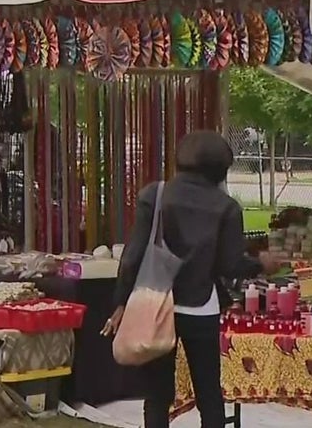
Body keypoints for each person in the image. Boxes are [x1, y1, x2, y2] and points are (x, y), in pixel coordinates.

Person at [103, 130, 277, 428]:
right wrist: (260, 263)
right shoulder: (227, 207)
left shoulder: (154, 195)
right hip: (201, 308)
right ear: (221, 168)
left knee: (157, 394)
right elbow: (230, 265)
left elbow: (132, 256)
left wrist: (121, 302)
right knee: (209, 393)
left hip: (156, 305)